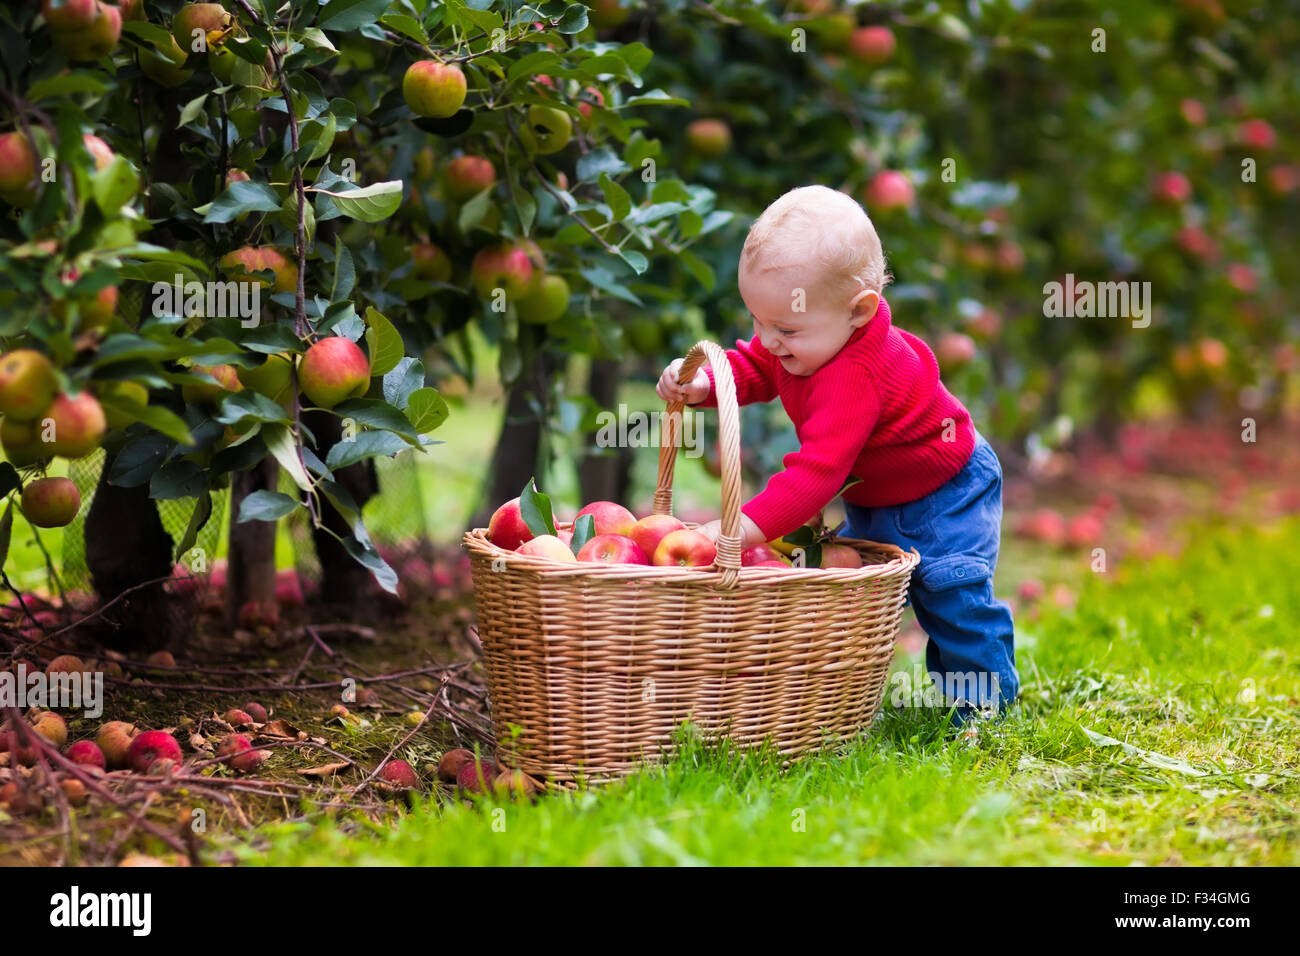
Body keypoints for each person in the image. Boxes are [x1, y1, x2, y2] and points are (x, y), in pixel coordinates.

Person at [655, 184, 1017, 723]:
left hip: (945, 489)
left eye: (784, 328)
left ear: (858, 311)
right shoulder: (806, 338)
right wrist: (708, 384)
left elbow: (817, 473)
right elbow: (759, 365)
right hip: (881, 487)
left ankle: (985, 711)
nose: (767, 339)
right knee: (864, 592)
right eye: (757, 321)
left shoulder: (855, 374)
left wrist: (740, 528)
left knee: (950, 594)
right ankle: (844, 701)